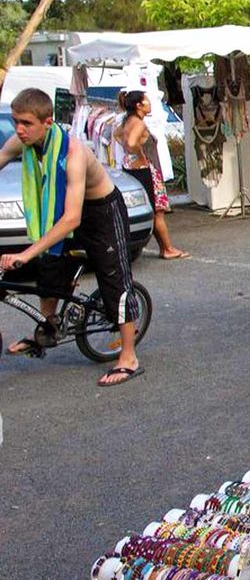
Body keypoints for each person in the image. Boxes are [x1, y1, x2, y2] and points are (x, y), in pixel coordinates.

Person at [0, 88, 143, 387]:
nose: (19, 130)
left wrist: (25, 253)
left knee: (113, 280)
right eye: (16, 122)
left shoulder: (75, 153)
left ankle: (128, 356)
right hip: (63, 210)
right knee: (50, 267)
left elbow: (71, 219)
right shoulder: (23, 143)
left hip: (100, 213)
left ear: (48, 122)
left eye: (26, 123)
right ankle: (47, 328)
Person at [113, 90, 188, 260]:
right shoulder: (138, 124)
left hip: (131, 168)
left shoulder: (127, 121)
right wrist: (140, 156)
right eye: (146, 101)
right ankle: (167, 248)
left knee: (151, 209)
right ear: (139, 105)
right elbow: (131, 142)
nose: (149, 103)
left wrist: (130, 153)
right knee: (157, 211)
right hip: (143, 170)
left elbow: (118, 135)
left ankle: (165, 247)